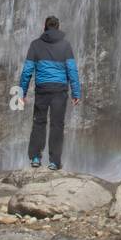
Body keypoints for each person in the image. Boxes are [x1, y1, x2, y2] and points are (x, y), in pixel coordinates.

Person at [18, 16, 81, 169]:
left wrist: (21, 93)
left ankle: (35, 158)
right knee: (57, 125)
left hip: (42, 89)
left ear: (44, 27)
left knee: (39, 123)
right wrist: (76, 93)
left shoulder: (35, 45)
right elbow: (72, 70)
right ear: (58, 27)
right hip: (59, 90)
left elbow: (27, 71)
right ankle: (54, 162)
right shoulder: (65, 45)